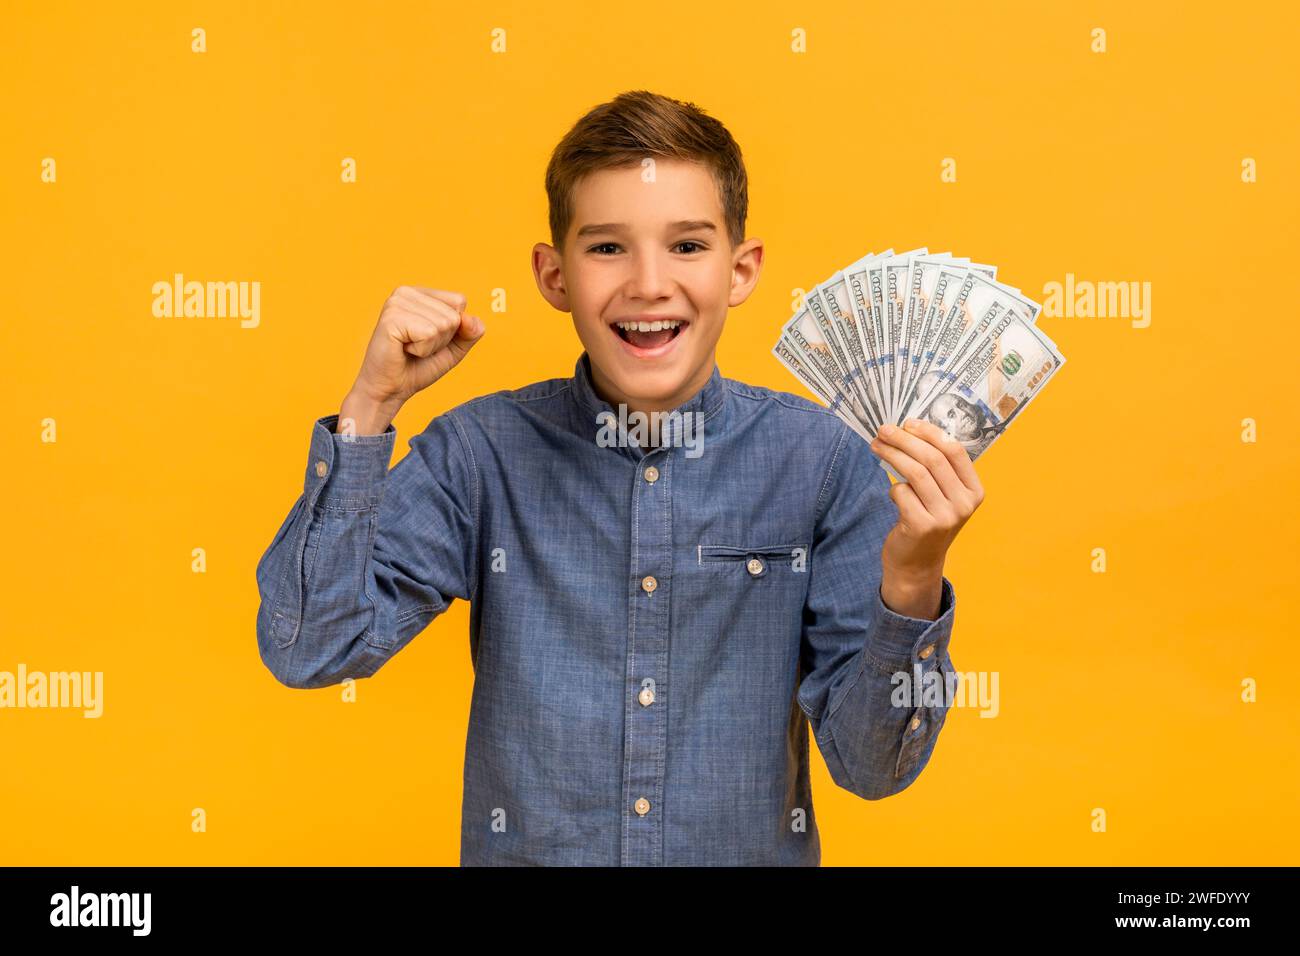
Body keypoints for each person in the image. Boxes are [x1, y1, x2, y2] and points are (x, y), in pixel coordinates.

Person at [254, 90, 985, 866]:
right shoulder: (480, 456)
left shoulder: (824, 463)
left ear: (741, 270)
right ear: (553, 275)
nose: (647, 283)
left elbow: (876, 769)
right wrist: (371, 406)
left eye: (687, 246)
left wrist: (913, 581)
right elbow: (308, 648)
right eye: (606, 248)